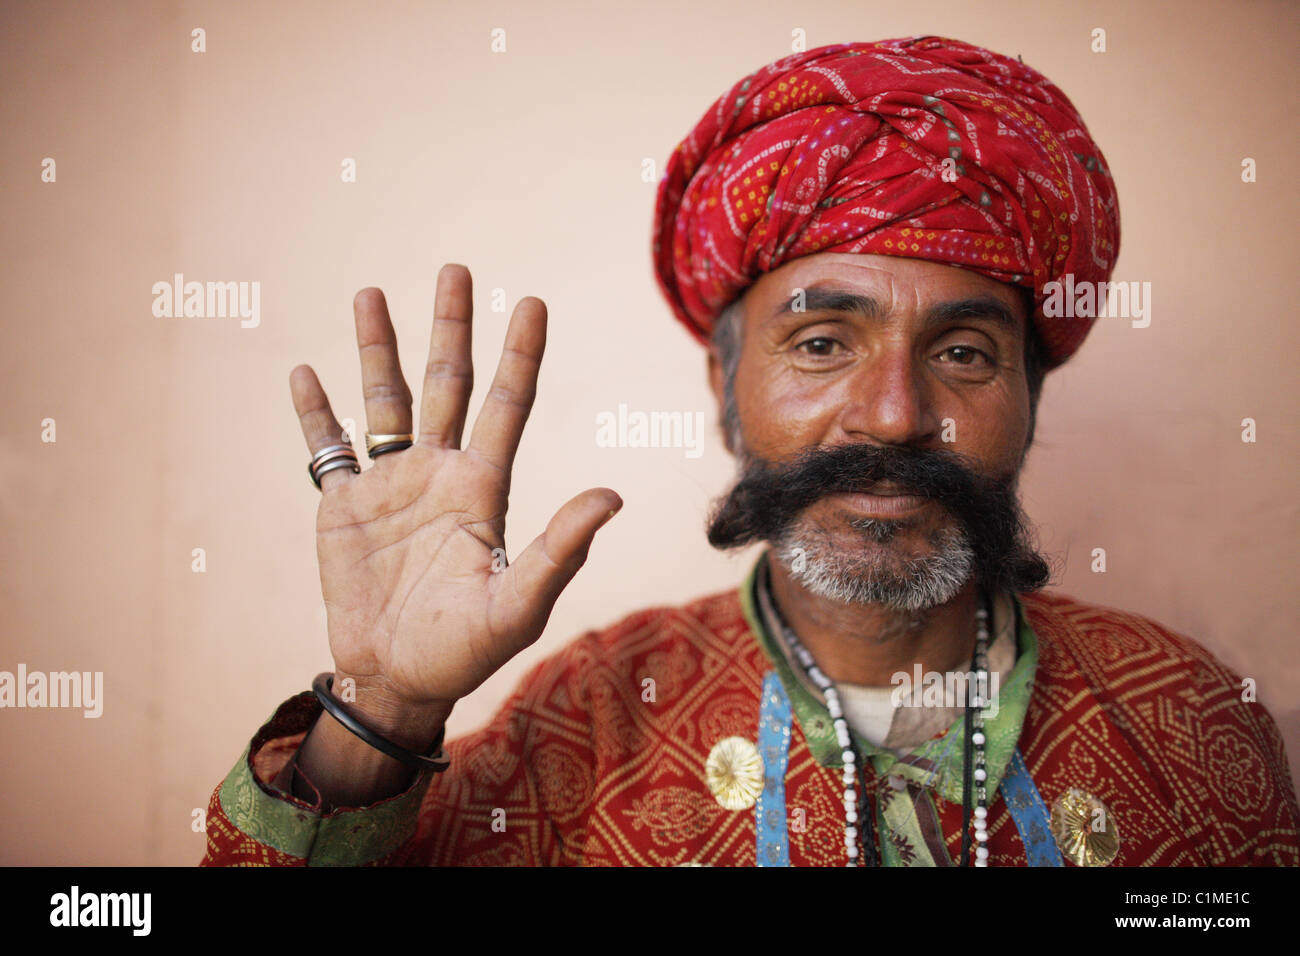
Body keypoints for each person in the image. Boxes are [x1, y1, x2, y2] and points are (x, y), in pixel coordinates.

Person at [200, 37, 1299, 867]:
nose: (891, 414)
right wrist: (381, 710)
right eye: (822, 342)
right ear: (727, 395)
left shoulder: (1191, 716)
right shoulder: (589, 715)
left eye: (963, 351)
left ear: (1026, 395)